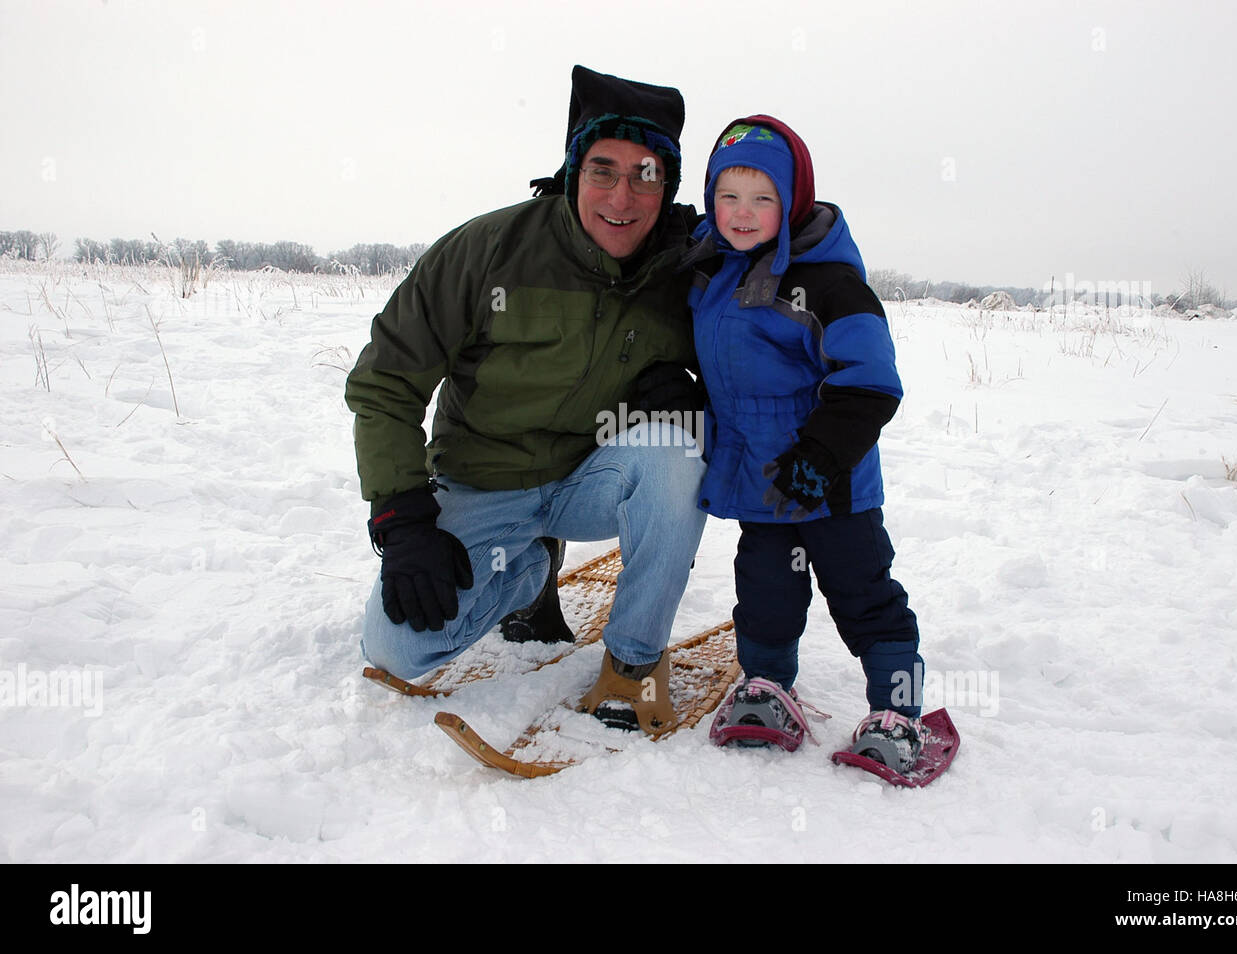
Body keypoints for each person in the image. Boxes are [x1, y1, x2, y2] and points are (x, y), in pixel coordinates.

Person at [344, 66, 706, 734]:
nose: (622, 195)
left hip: (592, 482)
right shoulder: (489, 249)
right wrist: (402, 517)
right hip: (485, 481)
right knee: (396, 648)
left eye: (645, 174)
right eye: (603, 169)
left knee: (678, 452)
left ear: (669, 185)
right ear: (572, 170)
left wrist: (700, 398)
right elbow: (386, 380)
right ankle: (527, 572)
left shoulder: (687, 271)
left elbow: (766, 369)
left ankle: (632, 663)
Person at [684, 116, 927, 772]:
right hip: (762, 485)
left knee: (864, 595)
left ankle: (899, 715)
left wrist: (821, 456)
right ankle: (765, 687)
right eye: (727, 196)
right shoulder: (711, 270)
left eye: (762, 198)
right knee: (764, 592)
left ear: (791, 201)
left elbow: (872, 385)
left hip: (832, 486)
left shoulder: (830, 284)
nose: (742, 213)